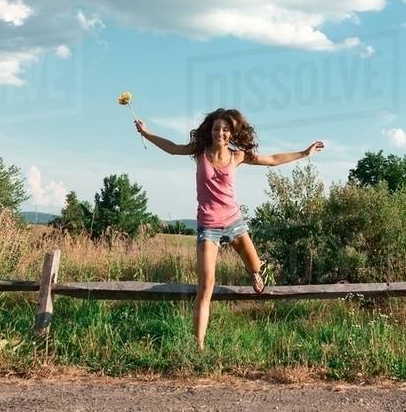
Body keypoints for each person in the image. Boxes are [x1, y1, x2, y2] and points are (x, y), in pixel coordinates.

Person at [134, 107, 324, 350]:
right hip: (208, 226)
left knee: (256, 267)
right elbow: (172, 148)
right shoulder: (199, 151)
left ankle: (254, 272)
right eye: (216, 129)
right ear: (210, 131)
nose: (220, 133)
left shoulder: (238, 156)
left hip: (235, 222)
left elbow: (272, 160)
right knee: (206, 286)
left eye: (225, 130)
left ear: (232, 133)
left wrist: (304, 153)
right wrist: (146, 133)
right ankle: (199, 345)